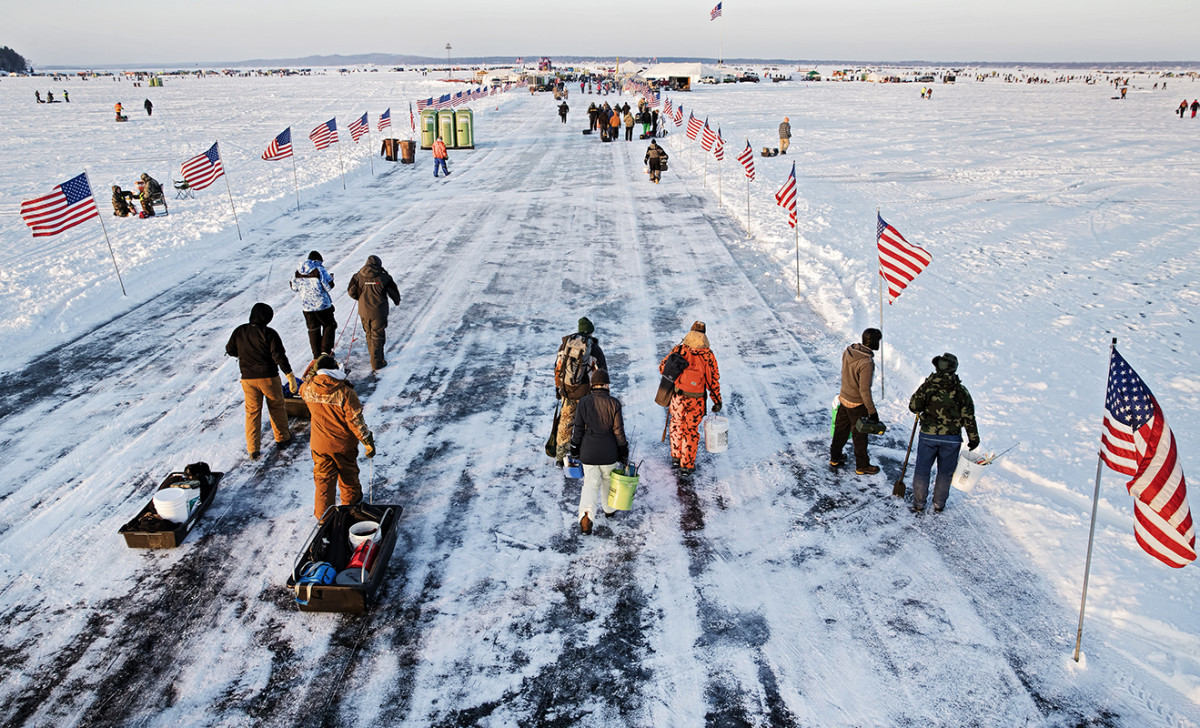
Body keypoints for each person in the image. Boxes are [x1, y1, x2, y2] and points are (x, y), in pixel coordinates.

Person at [299, 354, 375, 520]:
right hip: (343, 445)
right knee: (348, 478)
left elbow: (302, 385)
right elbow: (355, 422)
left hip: (319, 446)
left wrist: (311, 371)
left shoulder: (308, 389)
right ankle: (349, 509)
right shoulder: (345, 393)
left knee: (323, 481)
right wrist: (367, 441)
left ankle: (323, 518)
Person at [907, 353, 979, 512]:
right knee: (945, 473)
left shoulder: (928, 386)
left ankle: (919, 503)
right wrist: (973, 438)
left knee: (922, 470)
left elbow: (913, 407)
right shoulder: (961, 390)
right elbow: (968, 416)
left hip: (928, 436)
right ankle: (939, 504)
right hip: (952, 438)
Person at [225, 302, 296, 459]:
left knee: (252, 413)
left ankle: (253, 448)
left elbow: (230, 349)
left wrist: (244, 355)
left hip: (248, 380)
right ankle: (283, 438)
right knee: (276, 407)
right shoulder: (269, 333)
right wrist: (289, 374)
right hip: (268, 378)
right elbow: (278, 355)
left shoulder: (239, 331)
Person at [569, 369, 628, 534]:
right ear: (606, 385)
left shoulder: (584, 402)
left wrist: (574, 448)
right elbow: (618, 431)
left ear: (592, 384)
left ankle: (586, 516)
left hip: (588, 453)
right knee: (608, 481)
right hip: (609, 453)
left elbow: (578, 429)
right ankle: (609, 510)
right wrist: (623, 451)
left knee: (590, 484)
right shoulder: (614, 403)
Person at [660, 321, 721, 480]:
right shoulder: (708, 355)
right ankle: (686, 466)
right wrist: (717, 400)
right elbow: (713, 380)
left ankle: (676, 457)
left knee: (676, 425)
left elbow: (662, 367)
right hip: (697, 401)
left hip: (678, 398)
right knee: (690, 431)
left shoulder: (680, 349)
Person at [554, 317, 607, 467]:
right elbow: (602, 373)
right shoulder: (594, 349)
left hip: (567, 390)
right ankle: (584, 454)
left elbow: (558, 368)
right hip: (586, 393)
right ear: (590, 331)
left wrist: (559, 388)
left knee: (565, 424)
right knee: (586, 425)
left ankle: (560, 458)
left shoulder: (565, 345)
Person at [830, 328, 882, 475]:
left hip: (843, 397)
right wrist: (872, 411)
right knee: (860, 436)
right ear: (874, 342)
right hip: (857, 404)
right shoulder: (867, 363)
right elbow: (864, 390)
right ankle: (862, 466)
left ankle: (835, 458)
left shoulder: (849, 350)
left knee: (840, 431)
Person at [346, 255, 401, 371]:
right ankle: (377, 362)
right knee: (377, 335)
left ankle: (373, 355)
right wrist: (396, 301)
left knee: (369, 333)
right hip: (379, 312)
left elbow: (351, 291)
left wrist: (360, 298)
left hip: (364, 311)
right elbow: (393, 292)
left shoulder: (358, 276)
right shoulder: (384, 277)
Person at [290, 250, 337, 359]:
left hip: (307, 307)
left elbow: (294, 287)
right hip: (322, 305)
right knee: (330, 325)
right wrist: (331, 279)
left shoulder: (298, 271)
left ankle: (316, 355)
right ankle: (325, 351)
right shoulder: (319, 269)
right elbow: (328, 287)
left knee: (313, 329)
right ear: (318, 260)